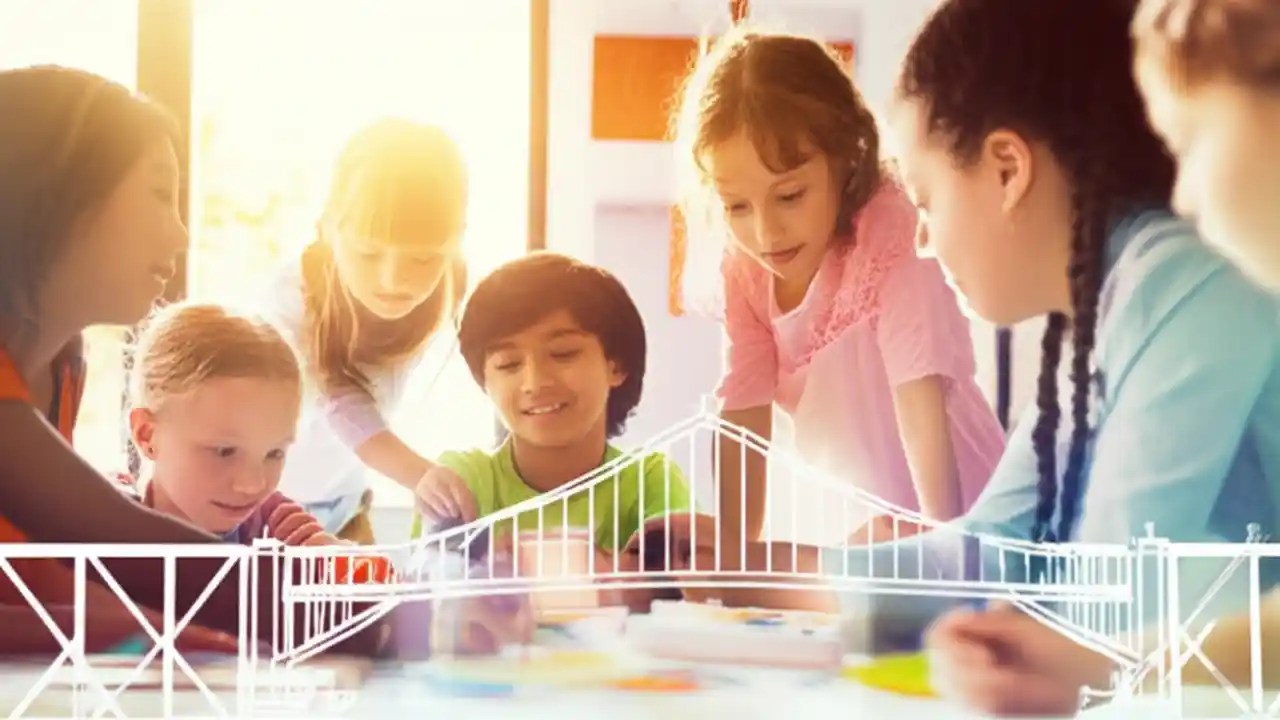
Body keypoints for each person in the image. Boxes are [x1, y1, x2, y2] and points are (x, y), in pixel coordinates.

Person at [675, 0, 1280, 649]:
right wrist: (753, 569)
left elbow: (1108, 605)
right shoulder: (1103, 318)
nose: (925, 238)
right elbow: (981, 557)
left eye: (926, 199)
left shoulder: (1180, 280)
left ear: (1007, 170)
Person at [0, 65, 527, 657]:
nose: (180, 236)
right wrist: (392, 626)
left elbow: (49, 592)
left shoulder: (61, 365)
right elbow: (115, 545)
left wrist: (223, 642)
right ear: (59, 196)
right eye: (158, 196)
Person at [925, 0, 1280, 714]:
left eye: (1190, 140)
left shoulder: (1188, 276)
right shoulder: (1098, 312)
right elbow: (1000, 546)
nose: (1180, 192)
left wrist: (1102, 658)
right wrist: (1108, 663)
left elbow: (1116, 580)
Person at [670, 28, 1005, 548]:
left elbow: (921, 398)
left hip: (958, 498)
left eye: (791, 195)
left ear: (846, 159)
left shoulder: (893, 232)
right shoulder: (745, 269)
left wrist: (943, 546)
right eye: (737, 205)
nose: (766, 232)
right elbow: (743, 410)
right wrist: (737, 551)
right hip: (866, 521)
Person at [409, 253, 695, 608]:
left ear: (616, 365)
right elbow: (429, 595)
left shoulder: (649, 480)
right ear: (485, 382)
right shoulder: (462, 480)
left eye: (563, 353)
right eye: (509, 364)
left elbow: (684, 594)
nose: (535, 382)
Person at [260, 118, 467, 543]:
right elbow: (341, 403)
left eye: (424, 259)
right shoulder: (293, 294)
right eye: (369, 253)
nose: (394, 279)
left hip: (346, 511)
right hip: (264, 513)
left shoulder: (452, 286)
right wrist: (422, 476)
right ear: (328, 229)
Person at [116, 302, 339, 547]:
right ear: (147, 435)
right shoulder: (99, 523)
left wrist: (340, 566)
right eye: (224, 451)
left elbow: (357, 571)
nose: (252, 484)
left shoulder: (279, 528)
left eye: (274, 453)